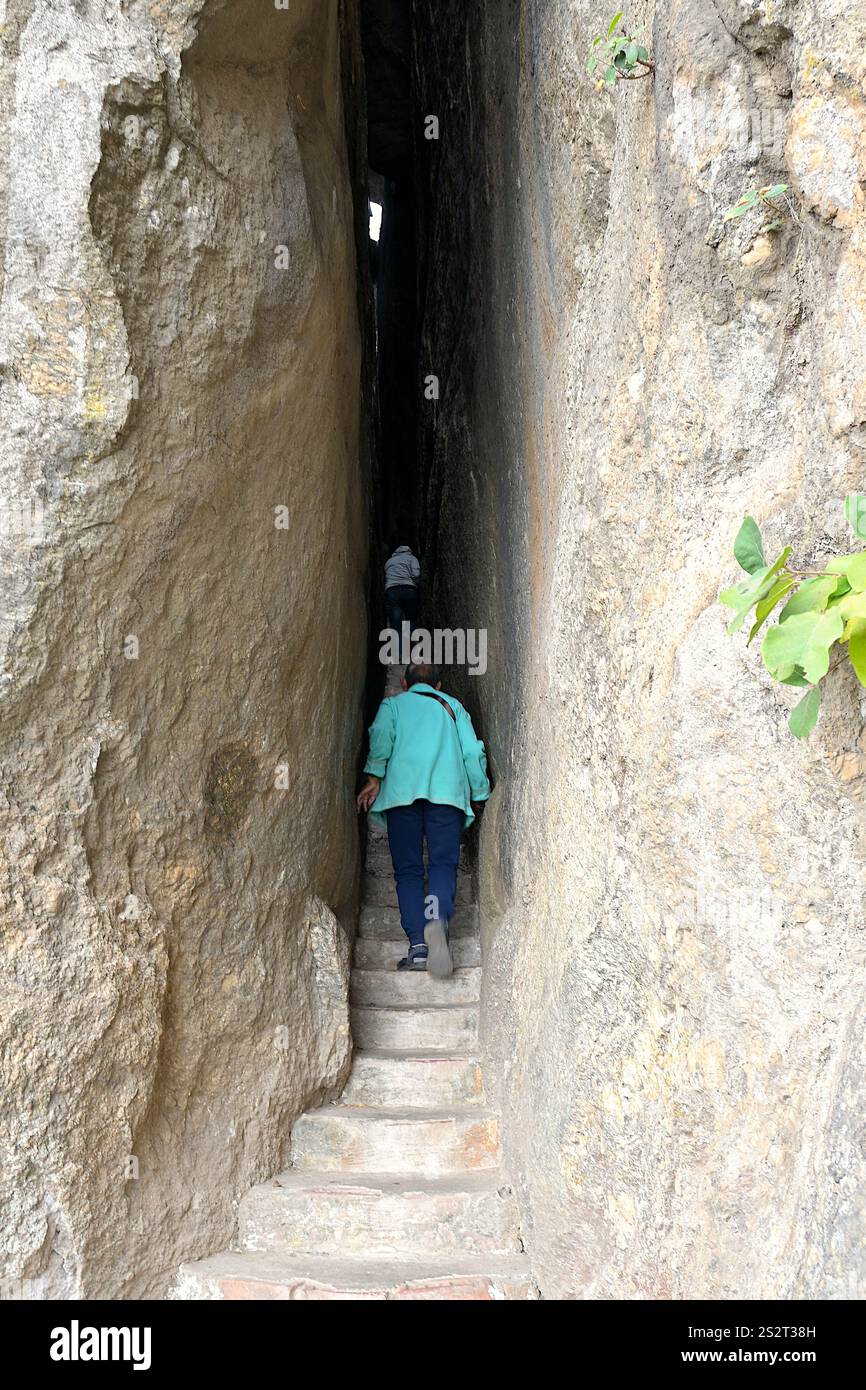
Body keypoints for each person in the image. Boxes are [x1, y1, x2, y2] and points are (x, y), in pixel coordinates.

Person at [357, 663, 492, 976]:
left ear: (405, 683)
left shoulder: (393, 705)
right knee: (443, 866)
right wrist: (480, 791)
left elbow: (381, 738)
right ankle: (437, 927)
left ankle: (419, 946)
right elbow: (472, 752)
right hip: (446, 798)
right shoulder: (453, 706)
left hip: (403, 798)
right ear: (439, 686)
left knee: (408, 871)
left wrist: (374, 777)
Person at [384, 539, 421, 634]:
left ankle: (399, 647)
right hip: (408, 590)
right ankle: (413, 644)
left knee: (396, 626)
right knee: (411, 620)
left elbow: (386, 576)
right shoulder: (412, 558)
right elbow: (416, 574)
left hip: (392, 592)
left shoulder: (389, 561)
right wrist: (417, 585)